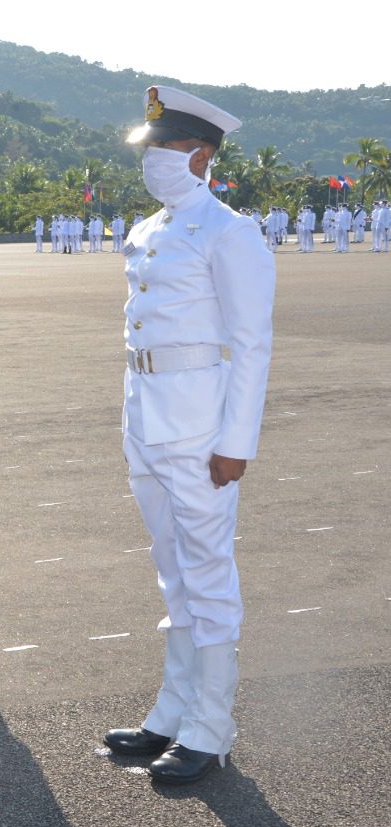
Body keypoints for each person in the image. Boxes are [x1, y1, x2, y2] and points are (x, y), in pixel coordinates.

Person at [102, 86, 274, 784]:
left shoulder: (230, 232)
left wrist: (238, 441)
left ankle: (211, 725)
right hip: (146, 414)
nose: (153, 163)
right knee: (172, 569)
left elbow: (252, 345)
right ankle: (172, 711)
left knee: (207, 574)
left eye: (165, 150)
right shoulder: (150, 229)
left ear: (200, 154)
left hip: (202, 426)